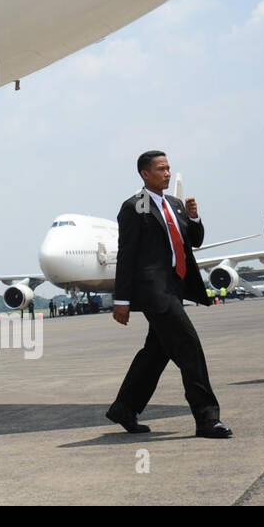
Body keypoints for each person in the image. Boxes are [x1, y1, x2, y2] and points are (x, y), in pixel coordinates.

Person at [105, 152, 231, 438]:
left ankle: (125, 408)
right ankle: (207, 418)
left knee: (156, 353)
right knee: (190, 349)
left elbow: (193, 242)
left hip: (176, 287)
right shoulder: (133, 207)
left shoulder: (175, 205)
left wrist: (195, 217)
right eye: (161, 169)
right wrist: (121, 301)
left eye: (168, 168)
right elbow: (127, 255)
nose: (167, 173)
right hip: (155, 293)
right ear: (145, 174)